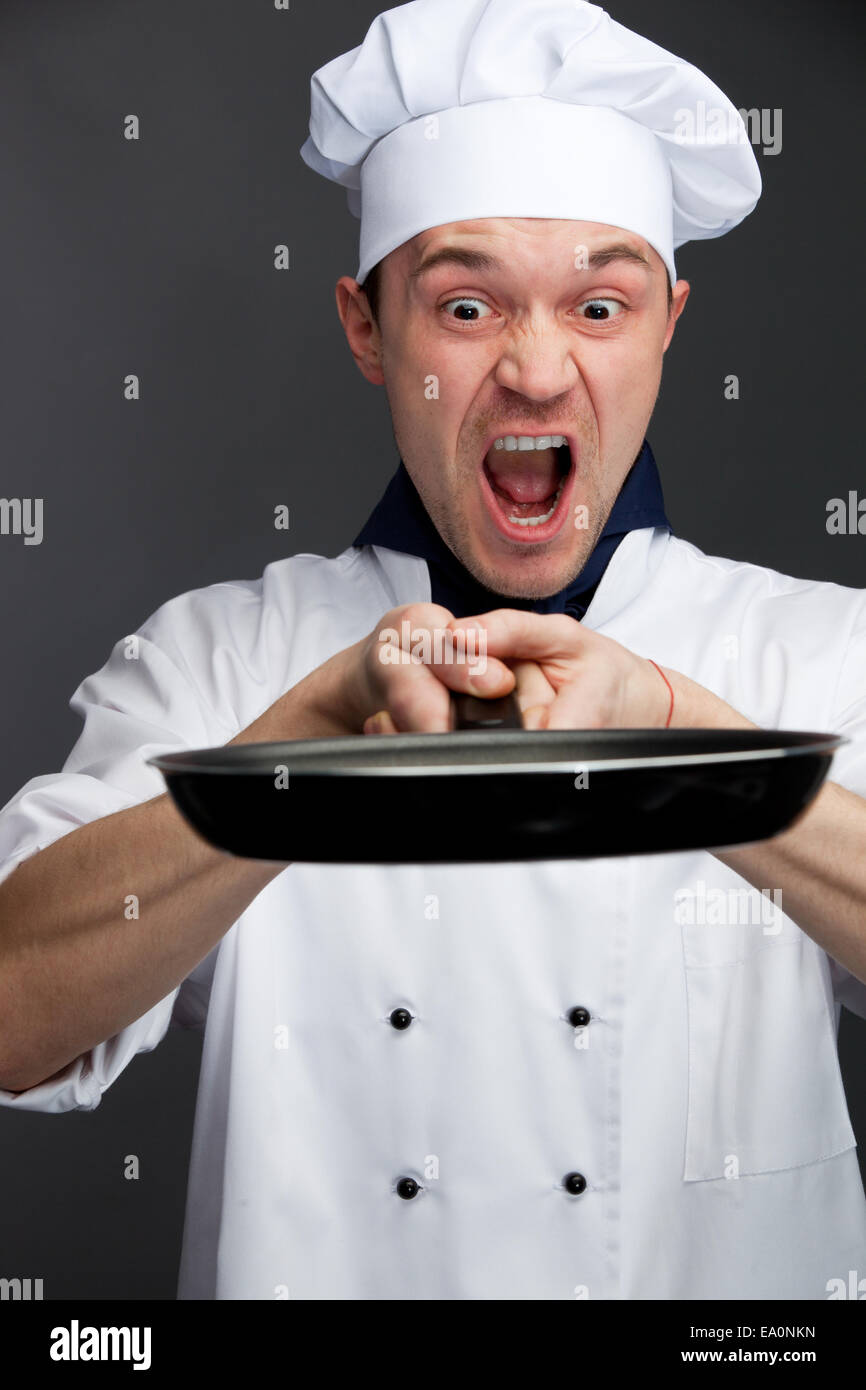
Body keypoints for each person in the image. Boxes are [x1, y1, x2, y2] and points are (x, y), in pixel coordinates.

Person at [1, 0, 865, 1301]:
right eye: (465, 305)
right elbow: (12, 1012)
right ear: (365, 327)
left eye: (597, 304)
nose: (531, 367)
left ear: (667, 326)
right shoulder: (217, 658)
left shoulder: (815, 649)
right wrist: (293, 754)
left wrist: (689, 739)